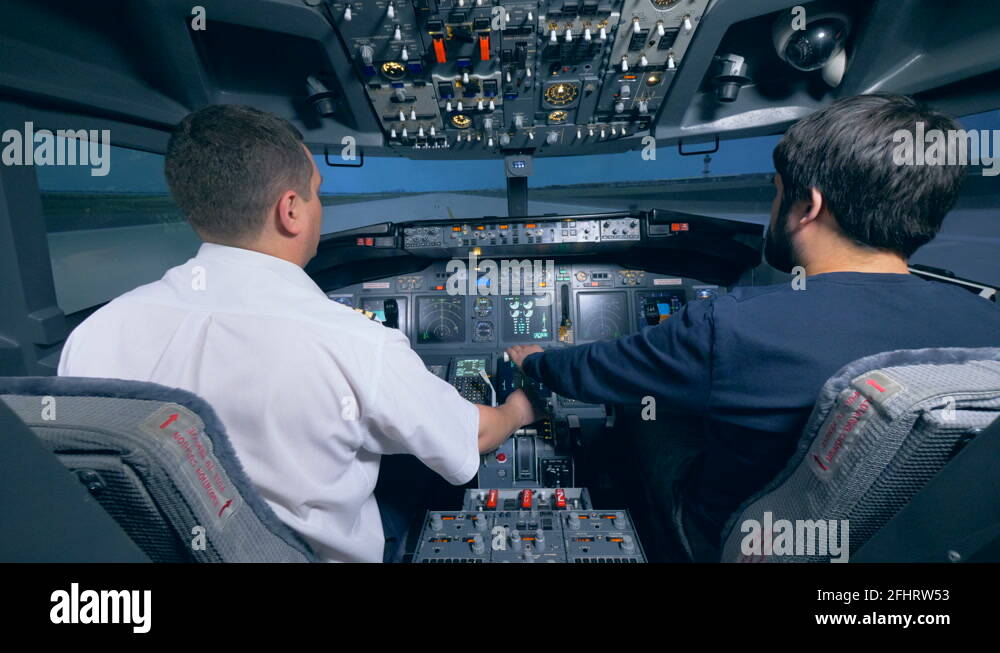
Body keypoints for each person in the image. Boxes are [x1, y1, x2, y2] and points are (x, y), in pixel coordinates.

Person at [506, 93, 1000, 562]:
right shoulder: (990, 320)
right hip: (892, 545)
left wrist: (539, 363)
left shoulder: (735, 326)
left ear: (808, 206)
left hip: (724, 537)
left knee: (639, 406)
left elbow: (599, 371)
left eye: (776, 194)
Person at [58, 105, 536, 562]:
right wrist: (520, 408)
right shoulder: (352, 342)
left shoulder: (97, 332)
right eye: (316, 191)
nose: (318, 205)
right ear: (291, 210)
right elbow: (474, 435)